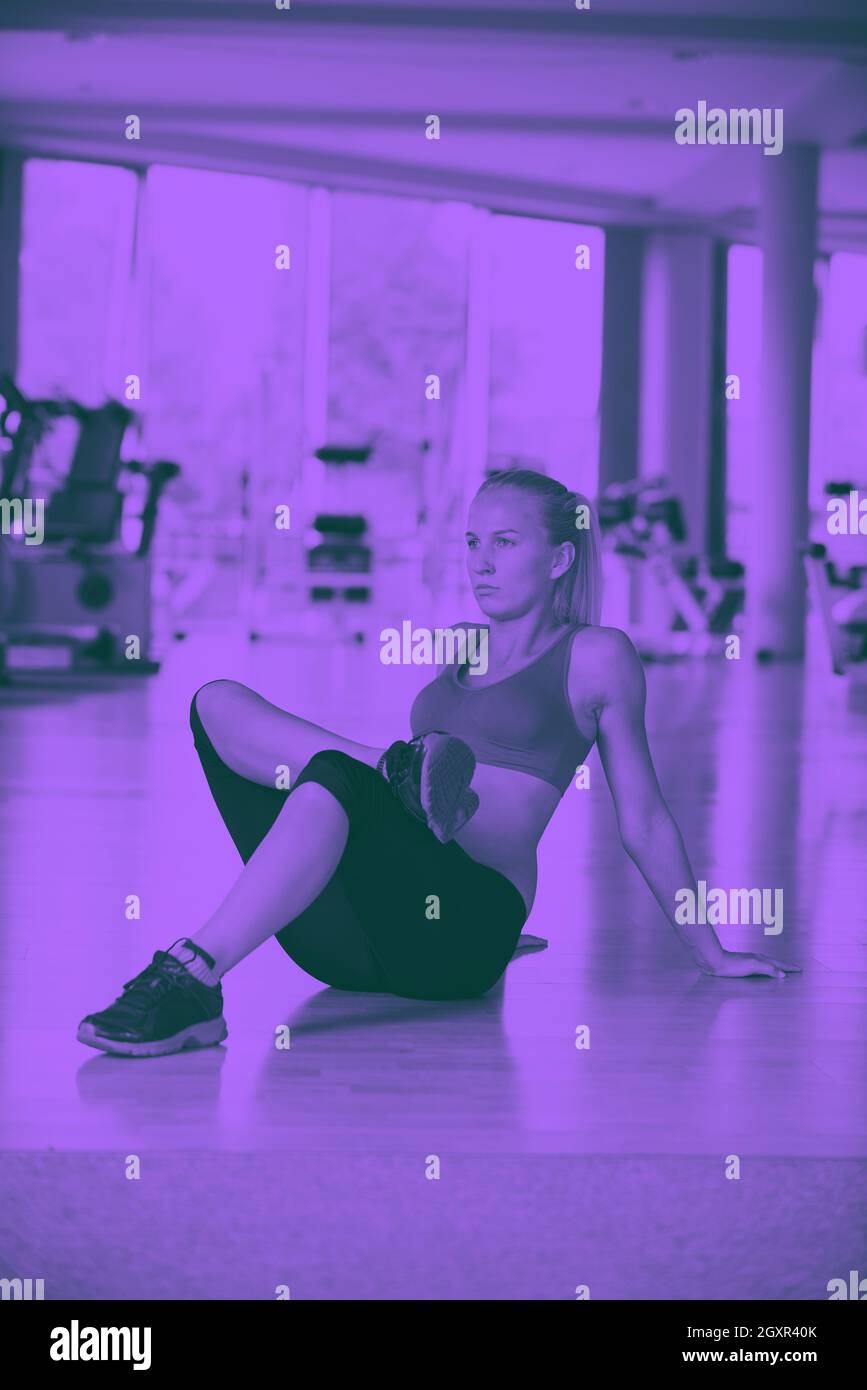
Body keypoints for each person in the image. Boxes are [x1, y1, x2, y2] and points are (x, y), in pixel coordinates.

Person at [78, 468, 800, 1057]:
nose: (480, 560)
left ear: (557, 558)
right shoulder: (460, 649)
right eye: (473, 541)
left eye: (505, 542)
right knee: (216, 701)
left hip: (458, 936)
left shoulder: (596, 654)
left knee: (334, 776)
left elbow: (643, 818)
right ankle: (397, 769)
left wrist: (708, 949)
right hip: (353, 946)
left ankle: (192, 977)